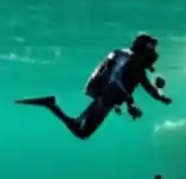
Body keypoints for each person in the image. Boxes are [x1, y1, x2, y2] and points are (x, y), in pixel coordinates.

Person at [15, 32, 173, 140]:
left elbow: (145, 83)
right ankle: (51, 105)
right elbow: (113, 80)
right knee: (81, 132)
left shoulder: (132, 60)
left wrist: (161, 97)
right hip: (105, 97)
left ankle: (51, 105)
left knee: (80, 129)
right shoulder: (126, 58)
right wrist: (129, 100)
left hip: (106, 97)